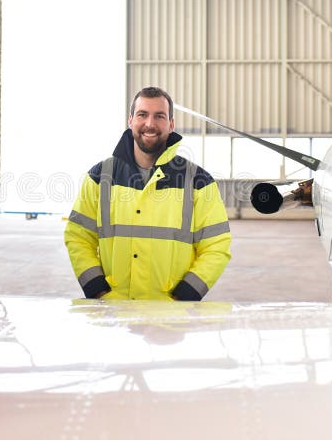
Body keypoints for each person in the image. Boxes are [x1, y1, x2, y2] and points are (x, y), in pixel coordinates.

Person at [64, 87, 231, 301]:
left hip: (171, 318)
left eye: (159, 116)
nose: (150, 124)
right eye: (142, 114)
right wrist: (99, 292)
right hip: (114, 315)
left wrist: (184, 298)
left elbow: (217, 246)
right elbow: (78, 237)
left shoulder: (199, 181)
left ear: (171, 124)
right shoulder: (100, 176)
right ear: (130, 120)